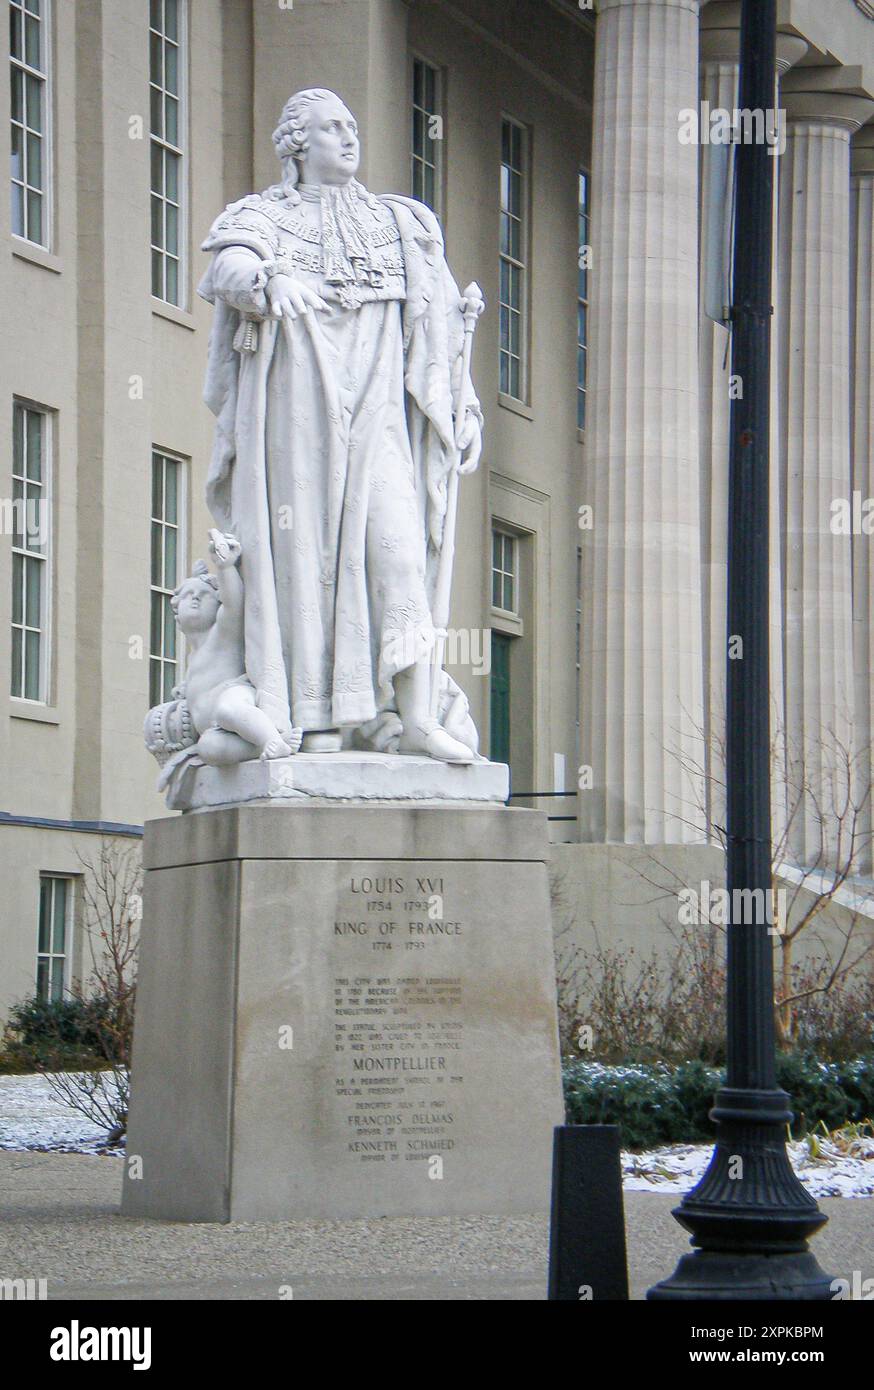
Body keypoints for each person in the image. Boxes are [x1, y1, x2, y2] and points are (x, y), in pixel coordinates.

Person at [198, 88, 483, 764]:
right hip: (300, 419)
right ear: (297, 143)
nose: (349, 138)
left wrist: (461, 409)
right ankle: (315, 715)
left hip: (380, 414)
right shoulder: (262, 216)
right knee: (304, 566)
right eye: (331, 128)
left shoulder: (401, 223)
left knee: (400, 554)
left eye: (353, 125)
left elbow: (441, 323)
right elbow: (226, 266)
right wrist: (269, 280)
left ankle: (415, 716)